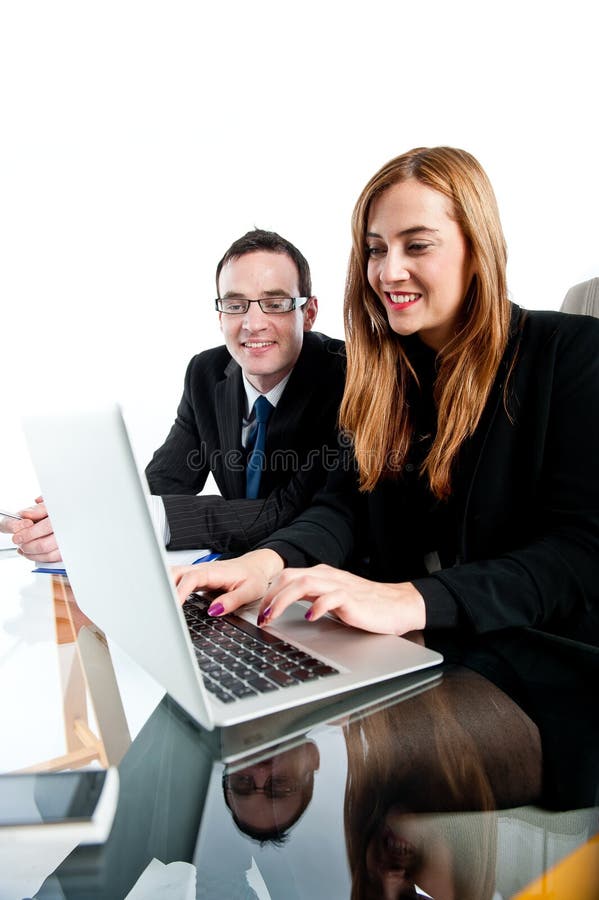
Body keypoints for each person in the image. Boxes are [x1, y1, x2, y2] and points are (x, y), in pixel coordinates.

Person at [173, 146, 599, 647]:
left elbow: (582, 550)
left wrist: (412, 600)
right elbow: (344, 504)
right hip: (412, 646)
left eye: (416, 246)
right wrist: (267, 563)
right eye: (376, 249)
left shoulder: (572, 354)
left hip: (533, 651)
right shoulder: (387, 378)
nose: (388, 272)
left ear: (476, 247)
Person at [2, 229, 346, 559]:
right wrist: (90, 516)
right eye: (236, 305)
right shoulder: (206, 374)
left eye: (275, 303)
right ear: (220, 314)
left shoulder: (347, 377)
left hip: (326, 586)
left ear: (309, 313)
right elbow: (165, 482)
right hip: (232, 582)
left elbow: (289, 512)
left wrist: (144, 519)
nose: (253, 323)